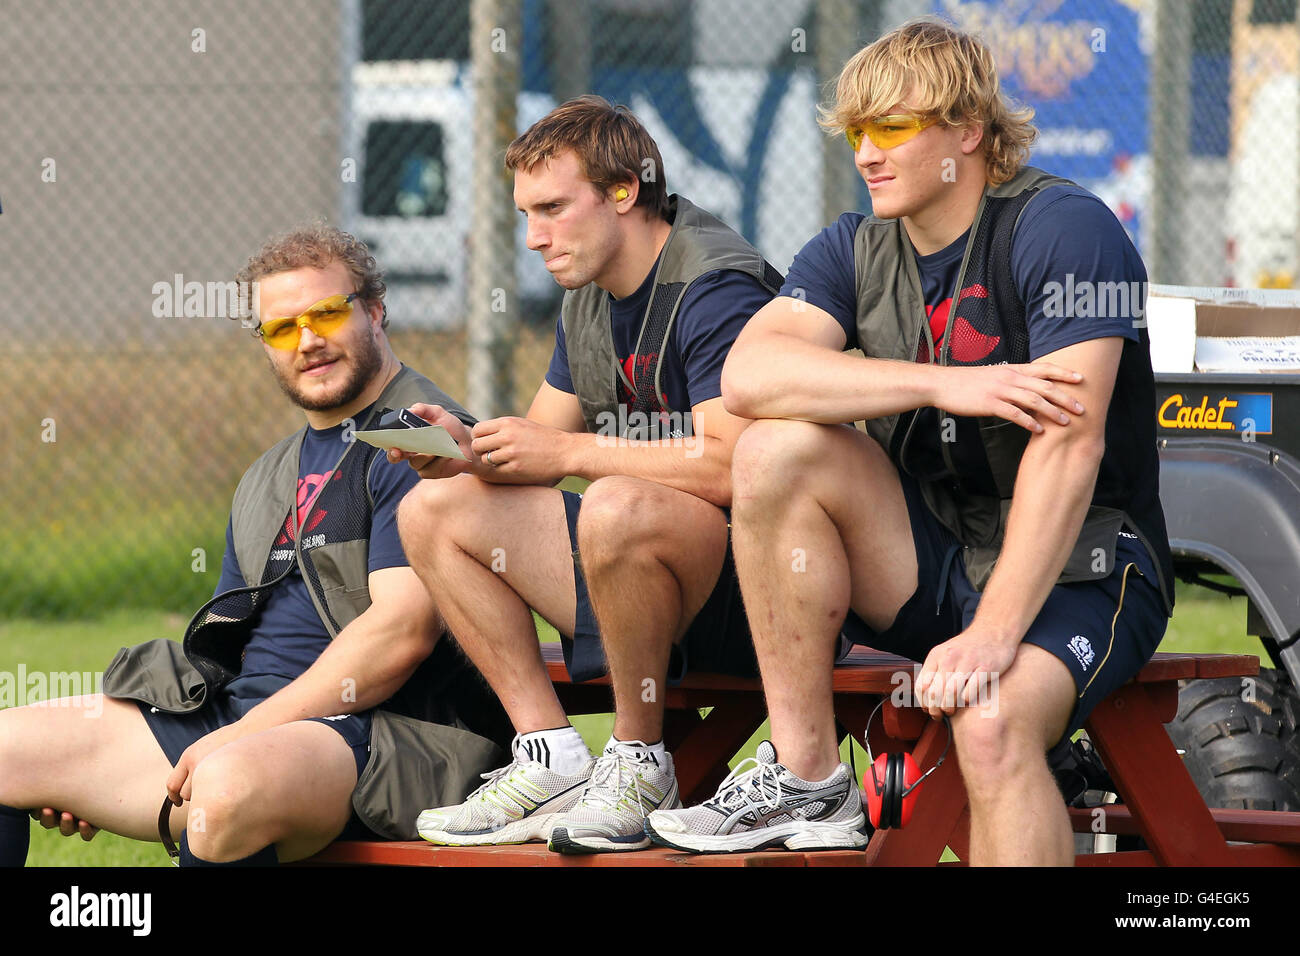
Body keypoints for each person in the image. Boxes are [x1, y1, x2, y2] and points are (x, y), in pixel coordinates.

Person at [645, 18, 1174, 864]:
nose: (866, 152)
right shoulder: (854, 247)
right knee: (773, 449)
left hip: (1085, 565)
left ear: (967, 131)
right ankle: (807, 776)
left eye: (892, 127)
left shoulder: (1065, 229)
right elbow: (749, 376)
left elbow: (1069, 451)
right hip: (934, 556)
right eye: (857, 130)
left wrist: (996, 632)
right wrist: (942, 380)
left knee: (993, 722)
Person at [0, 224, 508, 866]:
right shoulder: (268, 476)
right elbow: (223, 654)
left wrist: (243, 737)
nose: (308, 341)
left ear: (376, 310)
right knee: (7, 753)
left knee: (225, 790)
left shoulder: (423, 440)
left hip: (399, 739)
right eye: (281, 328)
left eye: (326, 313)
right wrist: (79, 765)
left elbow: (397, 637)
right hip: (247, 723)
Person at [392, 95, 780, 853]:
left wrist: (570, 457)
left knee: (612, 503)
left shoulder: (716, 286)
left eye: (552, 209)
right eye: (525, 215)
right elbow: (542, 442)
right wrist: (464, 450)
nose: (534, 239)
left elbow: (738, 463)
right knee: (434, 511)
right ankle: (550, 755)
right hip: (641, 572)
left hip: (763, 596)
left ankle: (639, 762)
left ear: (625, 192)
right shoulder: (590, 297)